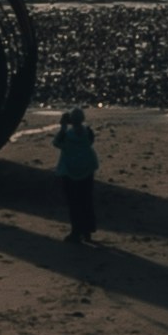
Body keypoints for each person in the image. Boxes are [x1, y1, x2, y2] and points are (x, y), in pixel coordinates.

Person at [50, 102, 103, 244]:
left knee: (74, 202)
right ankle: (87, 230)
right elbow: (90, 142)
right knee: (86, 200)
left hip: (70, 170)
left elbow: (55, 142)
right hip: (87, 168)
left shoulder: (67, 136)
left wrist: (63, 126)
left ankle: (76, 231)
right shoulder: (88, 133)